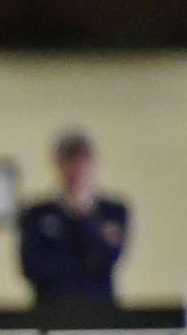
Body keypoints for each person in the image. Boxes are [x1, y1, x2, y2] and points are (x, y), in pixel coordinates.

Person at [18, 130, 127, 313]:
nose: (76, 168)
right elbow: (32, 267)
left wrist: (83, 216)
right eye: (69, 160)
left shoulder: (112, 211)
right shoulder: (37, 214)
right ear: (58, 163)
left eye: (81, 160)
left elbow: (106, 259)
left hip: (99, 309)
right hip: (50, 309)